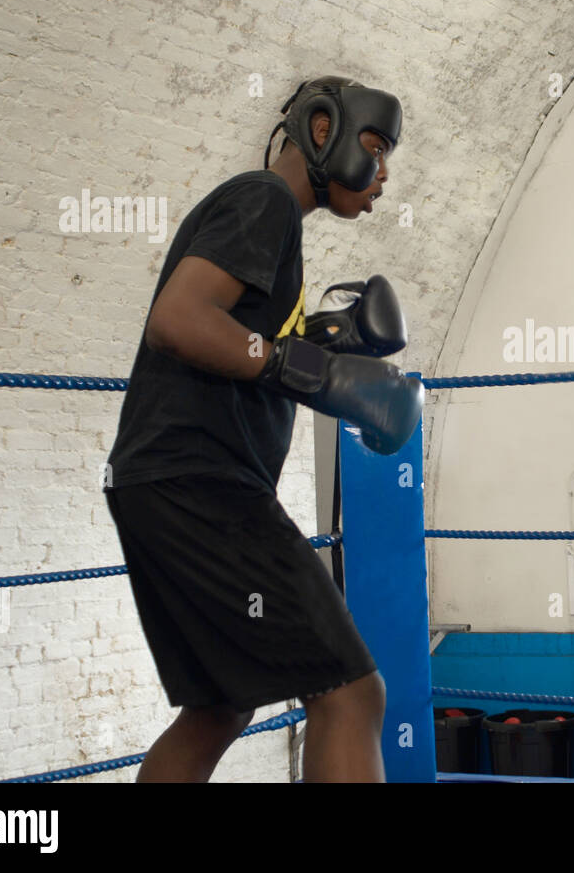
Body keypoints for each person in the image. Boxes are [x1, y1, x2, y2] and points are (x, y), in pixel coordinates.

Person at [103, 76, 421, 782]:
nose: (383, 175)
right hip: (203, 485)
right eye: (375, 148)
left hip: (161, 482)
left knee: (221, 704)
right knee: (351, 693)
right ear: (321, 130)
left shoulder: (273, 227)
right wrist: (310, 370)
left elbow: (246, 348)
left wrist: (319, 351)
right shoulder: (265, 200)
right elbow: (180, 320)